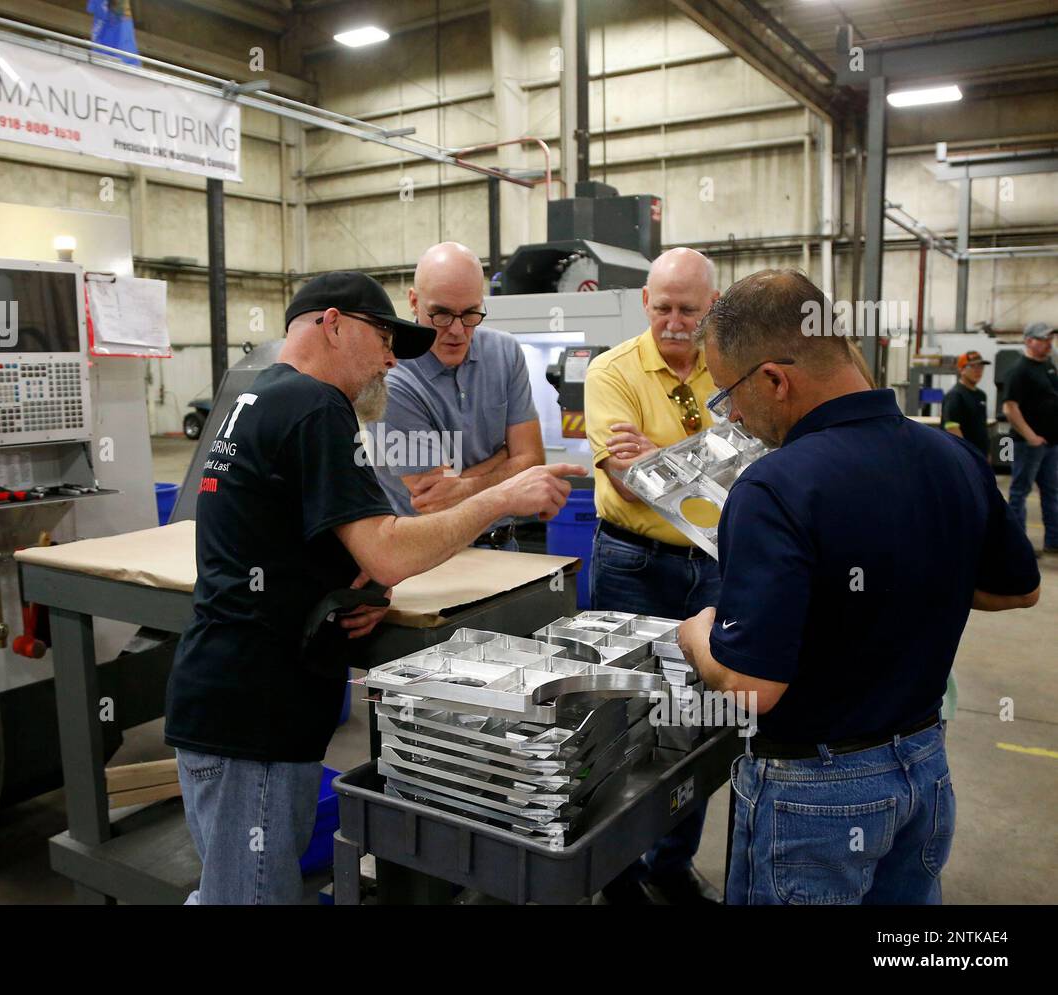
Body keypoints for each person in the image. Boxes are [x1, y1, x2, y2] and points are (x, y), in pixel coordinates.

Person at [164, 270, 584, 904]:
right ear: (332, 324)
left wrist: (342, 587)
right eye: (384, 337)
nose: (392, 358)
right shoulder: (316, 406)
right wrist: (501, 496)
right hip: (256, 724)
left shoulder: (258, 398)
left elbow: (285, 534)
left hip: (227, 702)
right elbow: (386, 550)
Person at [677, 269, 1041, 905]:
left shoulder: (773, 488)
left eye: (728, 392)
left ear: (773, 379)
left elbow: (751, 693)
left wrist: (698, 636)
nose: (731, 413)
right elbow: (1018, 590)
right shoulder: (952, 457)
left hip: (815, 793)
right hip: (923, 769)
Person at [583, 246, 722, 906]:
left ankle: (671, 861)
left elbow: (755, 468)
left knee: (694, 722)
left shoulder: (730, 370)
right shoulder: (611, 372)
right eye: (662, 306)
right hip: (633, 568)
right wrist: (708, 463)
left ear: (711, 309)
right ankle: (616, 873)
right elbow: (634, 487)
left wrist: (663, 457)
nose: (673, 321)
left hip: (716, 567)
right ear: (644, 302)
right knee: (623, 725)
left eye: (688, 309)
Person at [364, 242, 544, 551]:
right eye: (442, 315)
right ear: (413, 302)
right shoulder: (392, 376)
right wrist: (506, 455)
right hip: (428, 553)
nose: (458, 331)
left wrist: (461, 485)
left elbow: (533, 461)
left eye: (471, 314)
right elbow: (433, 501)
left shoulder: (505, 352)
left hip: (504, 547)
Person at [1001, 322, 1058, 554]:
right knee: (1020, 492)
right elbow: (1010, 408)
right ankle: (1018, 546)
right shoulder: (1018, 371)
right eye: (1043, 339)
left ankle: (1053, 541)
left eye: (1049, 339)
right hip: (1028, 445)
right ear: (1028, 341)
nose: (1048, 343)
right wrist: (1031, 436)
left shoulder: (1049, 367)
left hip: (1051, 444)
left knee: (1051, 492)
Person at [940, 351, 991, 458]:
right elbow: (951, 427)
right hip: (963, 456)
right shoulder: (955, 395)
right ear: (962, 369)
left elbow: (981, 427)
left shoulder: (981, 395)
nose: (978, 371)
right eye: (973, 366)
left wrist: (987, 453)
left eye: (981, 367)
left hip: (979, 455)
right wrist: (966, 454)